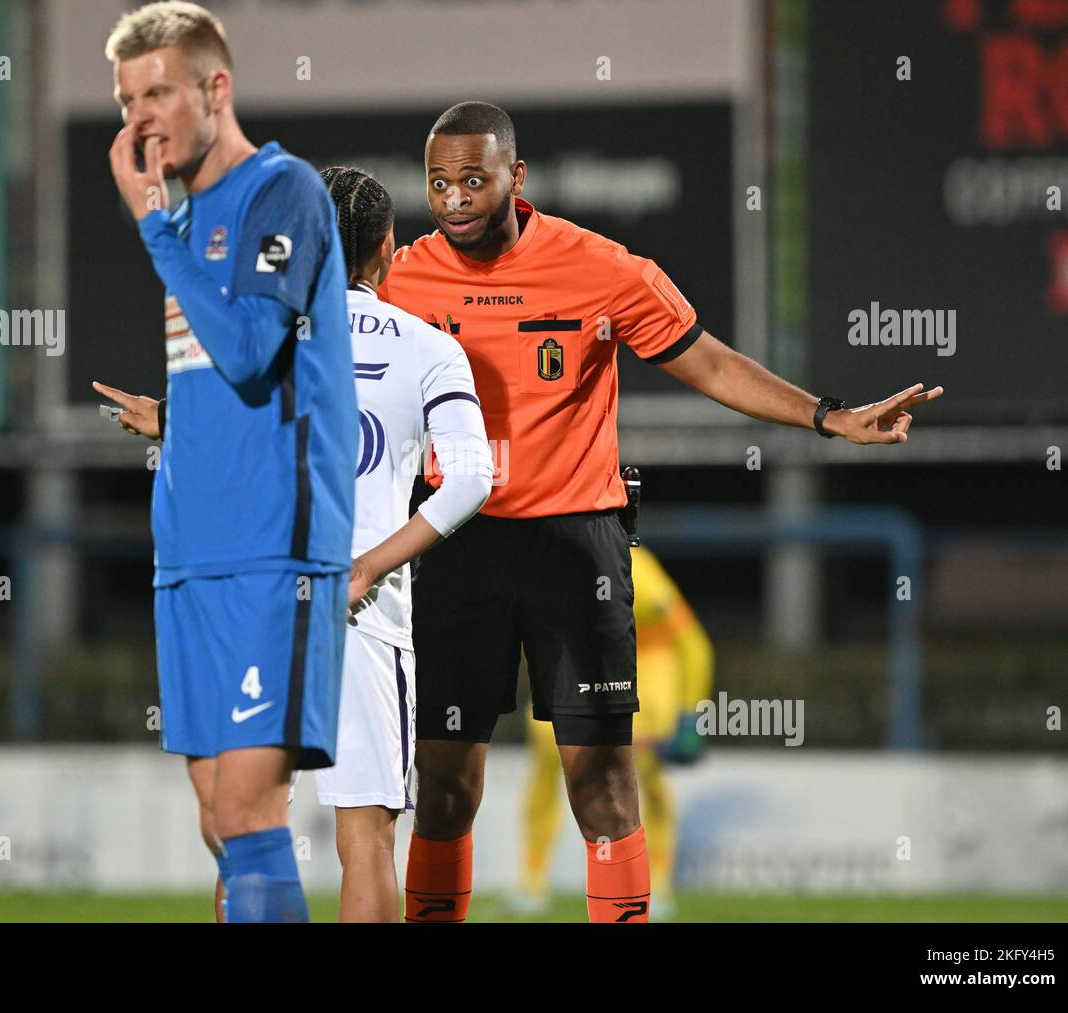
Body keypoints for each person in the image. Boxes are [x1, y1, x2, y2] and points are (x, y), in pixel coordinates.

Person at [382, 101, 943, 923]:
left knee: (604, 783)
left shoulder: (602, 268)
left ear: (516, 176)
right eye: (439, 182)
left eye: (474, 177)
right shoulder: (401, 278)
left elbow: (711, 362)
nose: (456, 198)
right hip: (454, 544)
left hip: (577, 547)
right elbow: (321, 373)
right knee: (442, 788)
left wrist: (830, 415)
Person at [97, 166, 494, 922]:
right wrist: (370, 566)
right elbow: (473, 481)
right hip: (359, 616)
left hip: (256, 601)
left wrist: (172, 419)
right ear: (388, 249)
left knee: (246, 830)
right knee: (368, 840)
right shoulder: (429, 350)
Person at [100, 2, 356, 923]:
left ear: (217, 88)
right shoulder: (190, 215)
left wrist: (157, 234)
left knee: (250, 808)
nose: (141, 118)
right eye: (127, 99)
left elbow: (251, 352)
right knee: (220, 819)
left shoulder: (283, 192)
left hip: (272, 552)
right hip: (192, 551)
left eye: (159, 90)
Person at [512, 545, 713, 919]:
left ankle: (659, 885)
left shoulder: (640, 571)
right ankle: (532, 882)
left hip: (637, 682)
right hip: (573, 677)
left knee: (641, 783)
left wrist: (692, 715)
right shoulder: (543, 563)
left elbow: (691, 643)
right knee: (547, 777)